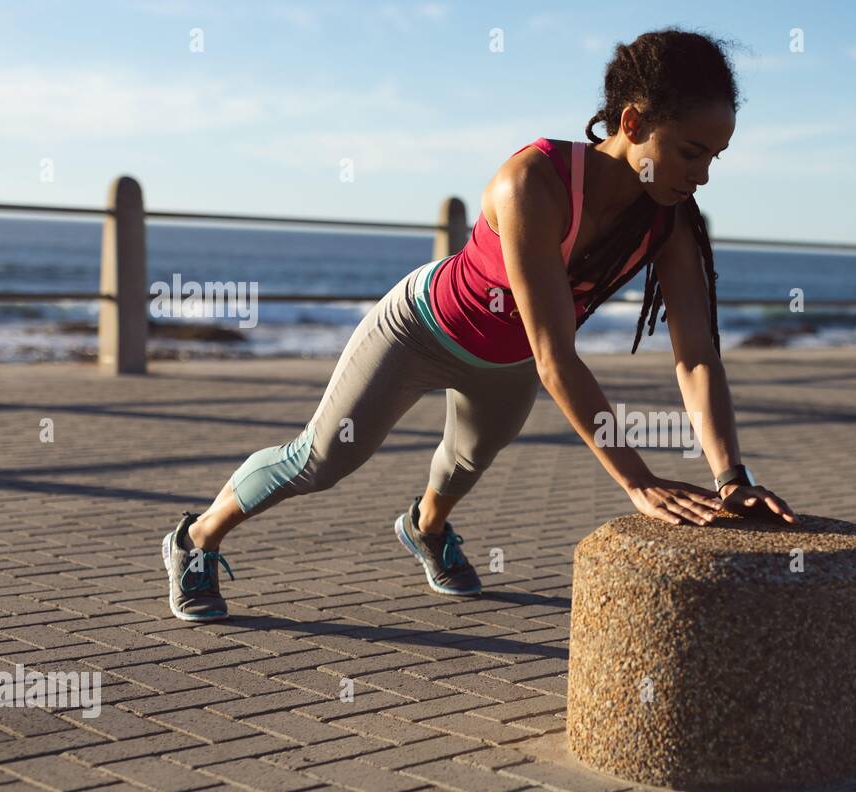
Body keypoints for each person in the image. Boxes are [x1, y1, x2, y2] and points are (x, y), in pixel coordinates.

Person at [162, 27, 798, 623]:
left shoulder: (673, 221)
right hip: (419, 329)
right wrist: (638, 481)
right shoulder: (534, 182)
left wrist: (730, 478)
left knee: (463, 466)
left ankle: (426, 529)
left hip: (507, 361)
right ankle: (196, 538)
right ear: (633, 122)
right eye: (691, 152)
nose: (703, 175)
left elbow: (694, 358)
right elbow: (557, 358)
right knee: (321, 461)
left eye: (715, 157)